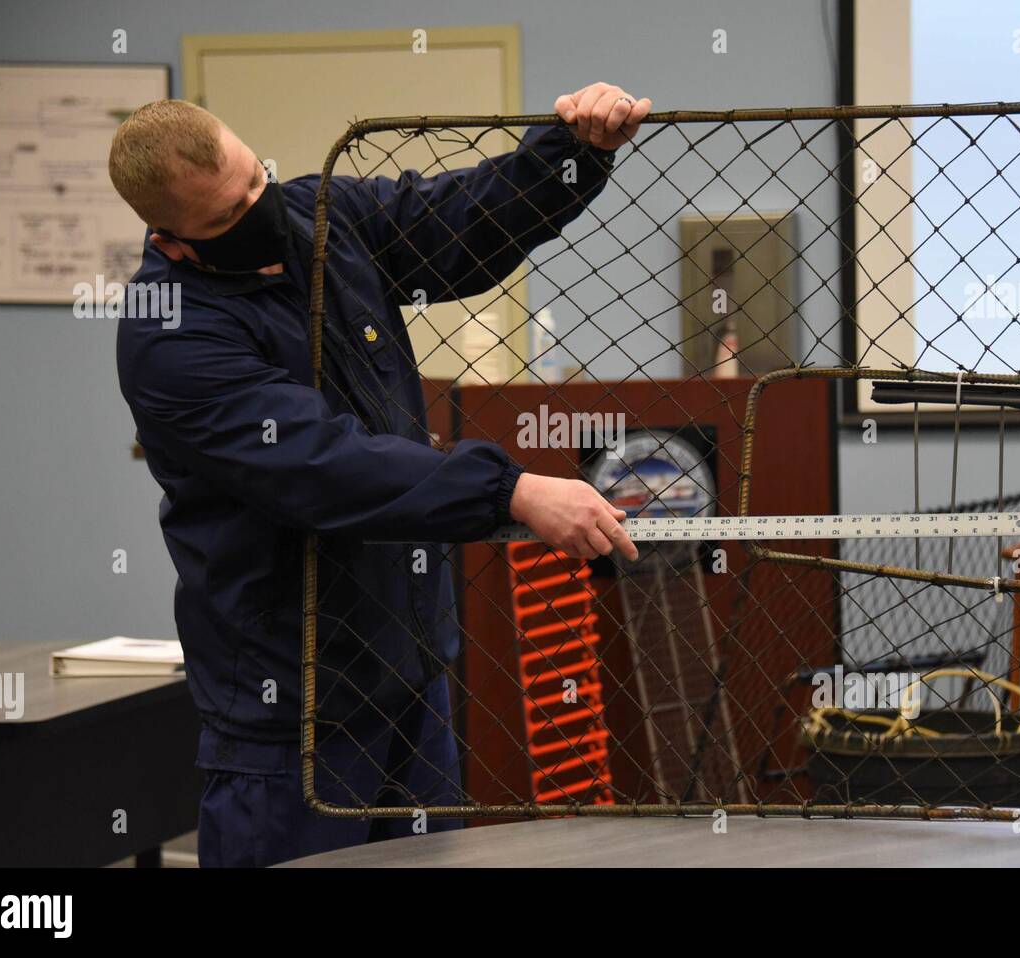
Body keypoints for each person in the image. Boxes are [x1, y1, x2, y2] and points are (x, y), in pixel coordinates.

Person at [109, 83, 648, 866]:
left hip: (408, 674)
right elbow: (328, 466)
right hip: (292, 707)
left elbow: (456, 220)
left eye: (255, 179)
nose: (260, 210)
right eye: (226, 216)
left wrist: (577, 152)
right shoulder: (172, 337)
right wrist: (511, 491)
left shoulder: (318, 219)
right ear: (171, 239)